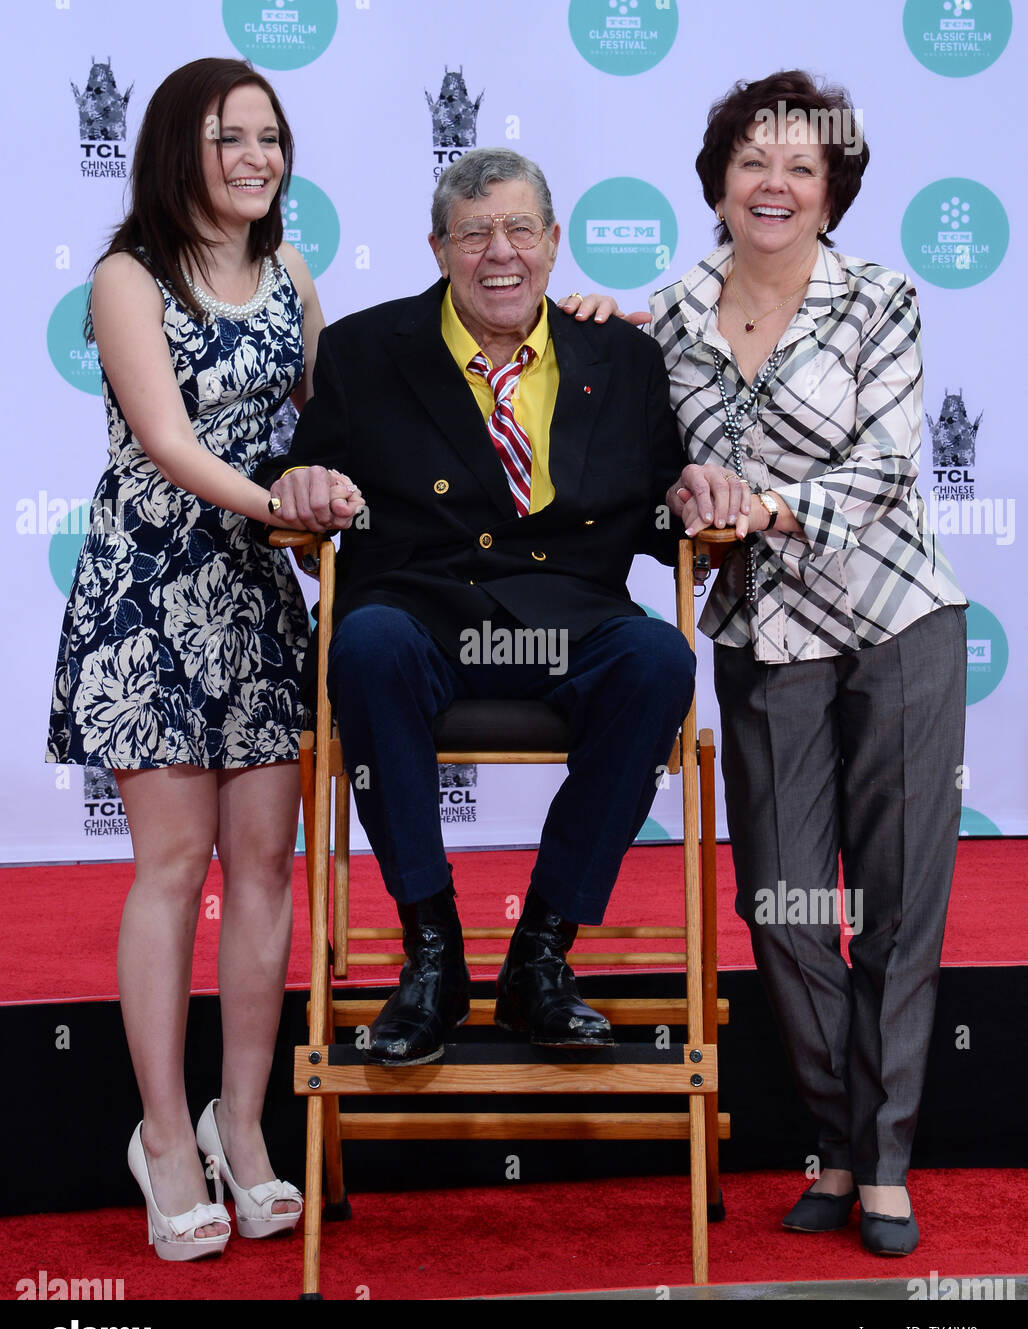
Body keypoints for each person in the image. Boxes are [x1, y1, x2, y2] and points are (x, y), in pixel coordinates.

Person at [262, 147, 695, 1067]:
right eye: (473, 234)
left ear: (553, 241)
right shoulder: (365, 350)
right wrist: (299, 485)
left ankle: (542, 954)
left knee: (661, 661)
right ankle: (434, 953)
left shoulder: (622, 355)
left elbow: (665, 505)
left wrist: (703, 493)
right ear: (437, 248)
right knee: (365, 643)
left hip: (569, 619)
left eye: (520, 229)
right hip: (421, 611)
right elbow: (299, 473)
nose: (500, 252)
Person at [46, 58, 363, 1261]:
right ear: (181, 147)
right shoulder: (127, 276)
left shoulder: (291, 273)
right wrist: (286, 505)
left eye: (270, 138)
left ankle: (245, 1122)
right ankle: (166, 1138)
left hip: (256, 603)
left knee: (264, 873)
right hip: (150, 598)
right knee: (173, 868)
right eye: (230, 137)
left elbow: (329, 422)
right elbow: (170, 445)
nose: (254, 158)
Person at [649, 71, 967, 1255]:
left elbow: (885, 465)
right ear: (718, 181)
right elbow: (652, 461)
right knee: (781, 907)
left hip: (896, 623)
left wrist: (763, 504)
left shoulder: (881, 299)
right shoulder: (667, 311)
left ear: (831, 189)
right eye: (752, 160)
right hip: (763, 637)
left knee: (896, 904)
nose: (773, 182)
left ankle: (878, 1163)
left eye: (799, 165)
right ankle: (830, 1139)